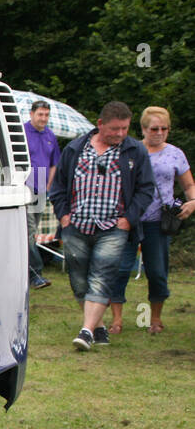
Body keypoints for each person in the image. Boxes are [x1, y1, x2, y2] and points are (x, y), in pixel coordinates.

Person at [47, 101, 155, 351]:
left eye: (125, 128)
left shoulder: (135, 151)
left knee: (102, 274)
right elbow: (58, 187)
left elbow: (146, 189)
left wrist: (129, 218)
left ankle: (85, 332)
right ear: (100, 124)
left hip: (113, 227)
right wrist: (64, 215)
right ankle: (98, 326)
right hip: (76, 226)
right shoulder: (75, 148)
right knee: (79, 280)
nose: (120, 134)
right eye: (115, 129)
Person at [107, 106, 195, 335]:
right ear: (143, 129)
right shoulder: (129, 150)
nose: (159, 132)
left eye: (164, 128)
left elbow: (188, 185)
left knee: (157, 271)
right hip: (129, 218)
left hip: (158, 220)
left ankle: (155, 318)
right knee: (120, 269)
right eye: (154, 128)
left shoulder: (175, 154)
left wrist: (192, 202)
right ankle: (116, 320)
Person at [23, 100, 59, 290]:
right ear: (32, 114)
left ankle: (23, 273)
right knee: (28, 233)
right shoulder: (20, 133)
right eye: (40, 114)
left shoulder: (50, 136)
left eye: (46, 115)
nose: (43, 118)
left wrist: (49, 184)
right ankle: (37, 274)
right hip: (25, 190)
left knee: (30, 234)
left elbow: (54, 163)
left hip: (42, 190)